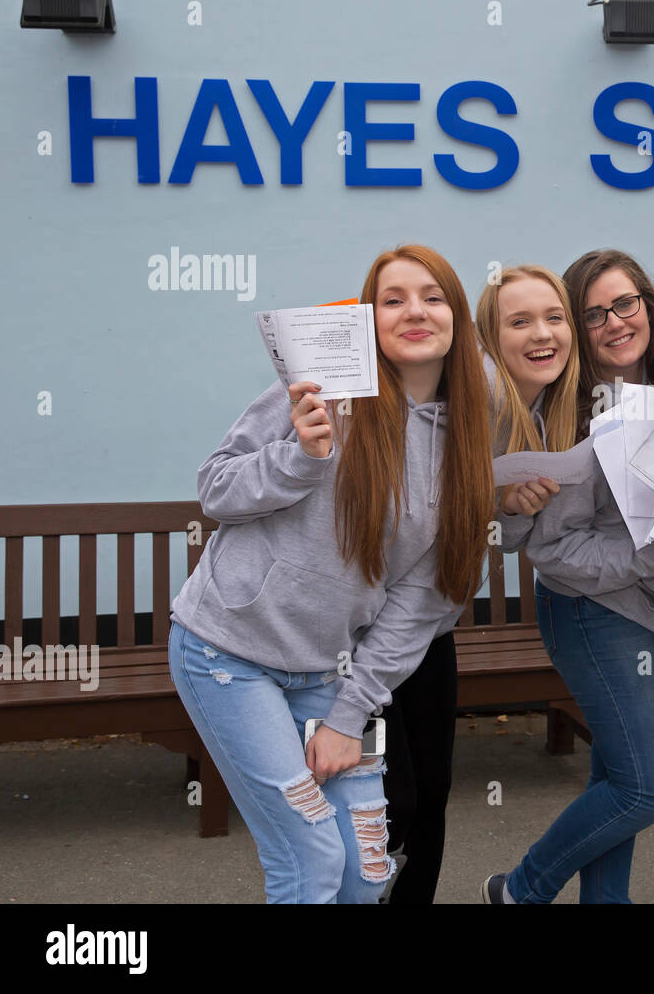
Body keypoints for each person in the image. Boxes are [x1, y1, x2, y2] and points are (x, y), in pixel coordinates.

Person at [169, 244, 493, 904]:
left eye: (432, 297)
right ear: (367, 320)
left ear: (458, 319)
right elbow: (216, 490)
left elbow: (417, 607)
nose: (414, 311)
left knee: (369, 867)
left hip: (332, 675)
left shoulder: (464, 441)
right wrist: (300, 458)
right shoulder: (321, 391)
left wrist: (349, 718)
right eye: (392, 299)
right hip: (230, 654)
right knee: (310, 855)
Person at [482, 249, 654, 904]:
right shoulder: (560, 411)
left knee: (618, 773)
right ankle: (521, 889)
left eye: (625, 304)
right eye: (593, 312)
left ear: (648, 308)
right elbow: (552, 547)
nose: (614, 323)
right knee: (646, 788)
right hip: (596, 612)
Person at [382, 263, 576, 903]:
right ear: (486, 339)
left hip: (431, 627)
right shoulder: (483, 389)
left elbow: (484, 523)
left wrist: (508, 506)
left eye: (554, 318)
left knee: (427, 795)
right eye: (518, 322)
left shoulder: (536, 406)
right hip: (371, 630)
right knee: (396, 799)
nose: (541, 334)